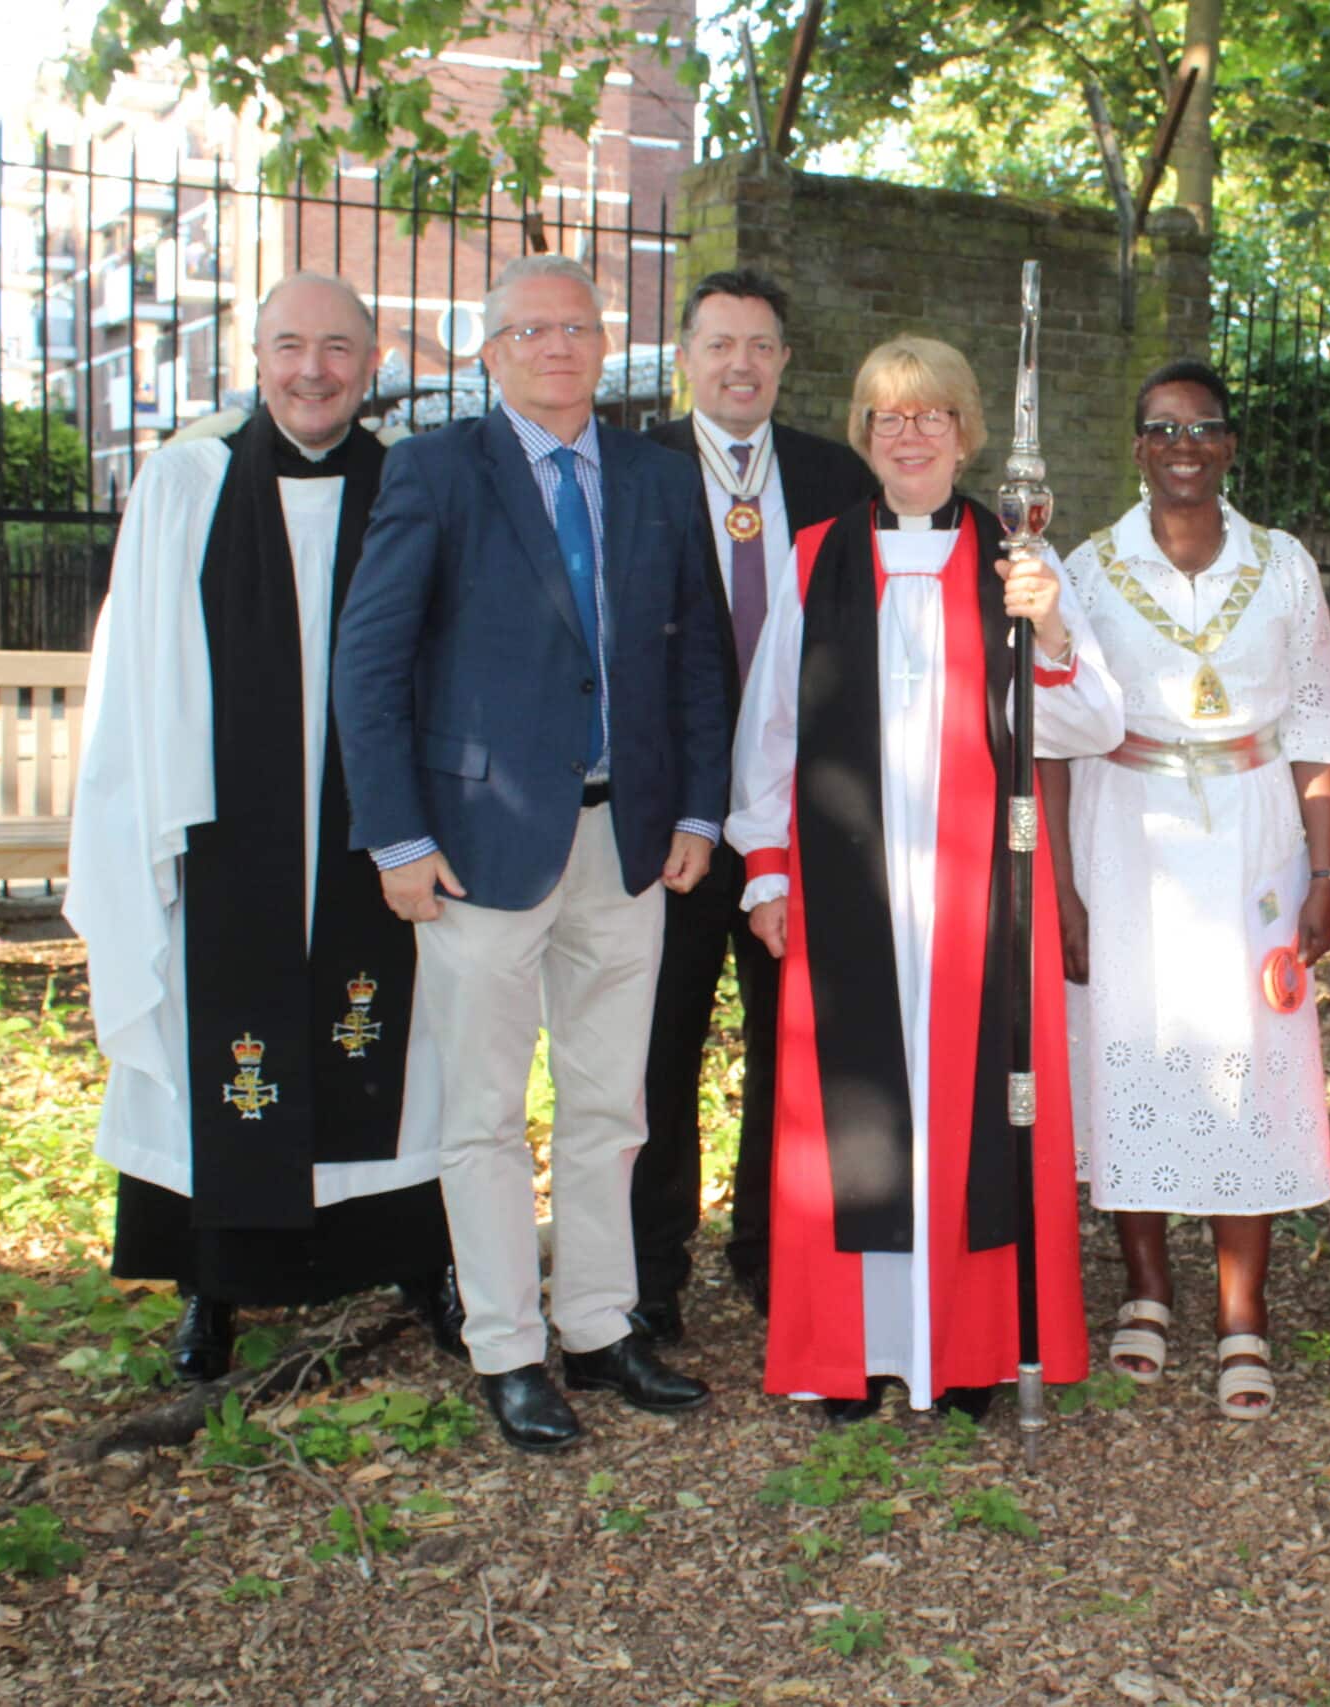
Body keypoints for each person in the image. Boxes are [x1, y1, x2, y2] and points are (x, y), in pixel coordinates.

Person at [333, 254, 732, 1454]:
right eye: (529, 329)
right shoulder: (436, 471)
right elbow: (371, 662)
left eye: (576, 327)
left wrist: (700, 815)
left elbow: (702, 662)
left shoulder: (660, 485)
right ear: (488, 351)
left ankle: (604, 1326)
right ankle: (508, 1348)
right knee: (484, 1117)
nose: (557, 347)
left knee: (611, 1105)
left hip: (629, 845)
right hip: (476, 851)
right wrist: (396, 834)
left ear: (606, 346)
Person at [67, 271, 462, 1383]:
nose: (312, 371)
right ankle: (213, 1287)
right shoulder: (189, 481)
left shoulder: (408, 485)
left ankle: (410, 1257)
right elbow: (141, 665)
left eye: (338, 348)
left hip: (367, 824)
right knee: (220, 1041)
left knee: (394, 1035)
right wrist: (158, 814)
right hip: (228, 819)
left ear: (372, 361)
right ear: (257, 353)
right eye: (290, 345)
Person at [726, 335, 1124, 1422]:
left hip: (976, 890)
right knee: (852, 1112)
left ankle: (965, 1349)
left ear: (964, 432)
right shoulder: (815, 557)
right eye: (887, 418)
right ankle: (852, 1354)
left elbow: (1094, 720)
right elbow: (768, 734)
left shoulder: (1016, 559)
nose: (909, 435)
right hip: (849, 875)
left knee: (971, 1108)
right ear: (863, 435)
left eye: (930, 415)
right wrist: (765, 873)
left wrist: (1043, 624)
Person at [1047, 359, 1330, 1422]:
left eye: (1203, 428)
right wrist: (1063, 892)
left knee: (1249, 1058)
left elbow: (1316, 721)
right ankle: (1146, 1289)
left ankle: (1242, 1312)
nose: (1183, 445)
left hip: (1256, 837)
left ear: (1229, 447)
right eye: (1161, 428)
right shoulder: (1083, 569)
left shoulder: (1285, 565)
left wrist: (1326, 869)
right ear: (1135, 447)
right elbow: (1048, 727)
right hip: (1123, 830)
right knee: (1132, 1044)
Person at [635, 270, 874, 1339]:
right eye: (721, 343)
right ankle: (651, 1275)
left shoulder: (836, 476)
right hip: (674, 819)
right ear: (687, 355)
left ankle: (775, 1253)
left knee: (791, 1045)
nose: (741, 364)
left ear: (785, 361)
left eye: (762, 346)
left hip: (796, 817)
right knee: (661, 1046)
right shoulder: (634, 470)